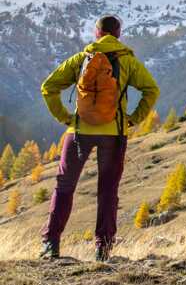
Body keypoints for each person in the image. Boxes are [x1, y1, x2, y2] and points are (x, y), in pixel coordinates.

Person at [39, 14, 159, 261]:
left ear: (96, 33)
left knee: (64, 187)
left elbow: (48, 87)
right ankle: (102, 250)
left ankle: (51, 244)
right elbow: (151, 90)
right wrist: (134, 118)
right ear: (118, 34)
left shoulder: (82, 59)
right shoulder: (128, 61)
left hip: (79, 132)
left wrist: (65, 118)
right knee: (107, 191)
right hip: (113, 134)